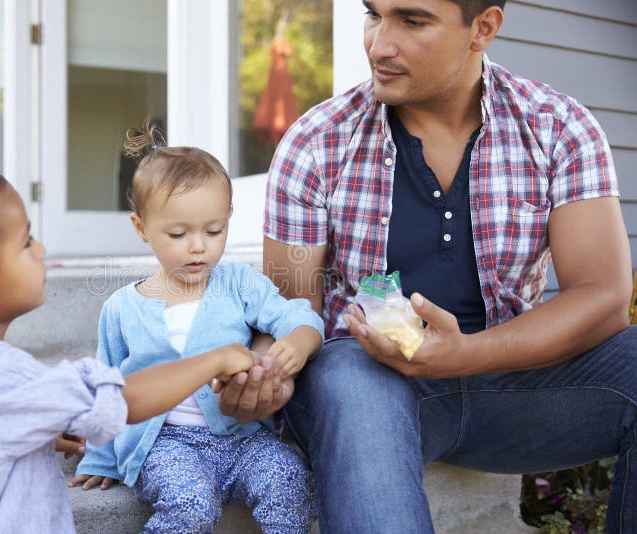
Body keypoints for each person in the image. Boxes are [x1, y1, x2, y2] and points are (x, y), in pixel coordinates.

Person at [220, 0, 636, 532]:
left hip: (510, 387)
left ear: (481, 28)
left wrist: (465, 354)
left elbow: (603, 297)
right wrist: (267, 375)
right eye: (373, 14)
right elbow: (288, 312)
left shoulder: (558, 128)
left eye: (412, 21)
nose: (378, 43)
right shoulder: (315, 143)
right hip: (366, 389)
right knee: (349, 373)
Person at [0, 163, 257, 534]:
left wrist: (40, 427)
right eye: (25, 242)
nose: (42, 250)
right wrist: (214, 359)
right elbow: (126, 398)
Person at [69, 122, 323, 533]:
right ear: (141, 228)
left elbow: (297, 314)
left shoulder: (238, 284)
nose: (198, 246)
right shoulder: (122, 309)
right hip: (166, 445)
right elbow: (108, 386)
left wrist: (300, 339)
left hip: (244, 440)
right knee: (191, 502)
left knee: (289, 476)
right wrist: (100, 459)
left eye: (214, 230)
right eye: (178, 233)